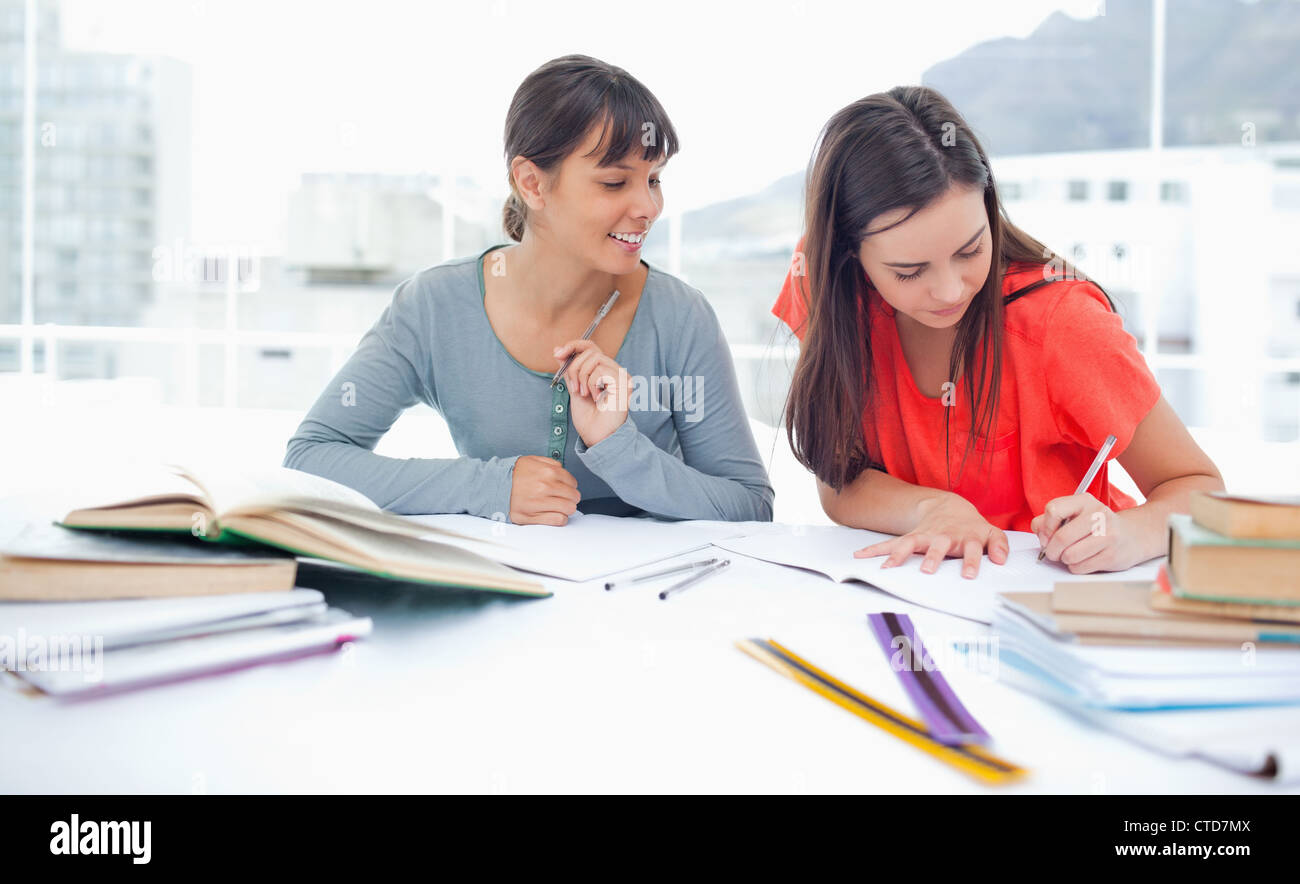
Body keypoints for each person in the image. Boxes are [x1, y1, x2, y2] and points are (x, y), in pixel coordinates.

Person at [284, 55, 773, 525]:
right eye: (613, 182)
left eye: (654, 179)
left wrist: (619, 447)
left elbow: (749, 504)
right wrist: (489, 487)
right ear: (532, 184)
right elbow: (311, 459)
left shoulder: (680, 317)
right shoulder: (434, 307)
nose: (648, 206)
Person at [773, 85, 1223, 577]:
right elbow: (841, 483)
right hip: (913, 594)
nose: (949, 291)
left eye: (970, 251)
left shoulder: (1061, 321)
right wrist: (930, 509)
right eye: (909, 271)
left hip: (1050, 595)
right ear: (849, 256)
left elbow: (1201, 487)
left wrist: (1131, 533)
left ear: (988, 209)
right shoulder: (826, 286)